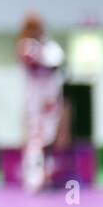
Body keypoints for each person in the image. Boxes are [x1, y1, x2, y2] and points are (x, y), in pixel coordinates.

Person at [16, 13, 68, 193]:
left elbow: (58, 64)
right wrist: (43, 57)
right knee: (35, 138)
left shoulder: (50, 46)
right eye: (30, 27)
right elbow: (30, 61)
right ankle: (33, 178)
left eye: (36, 26)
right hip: (34, 103)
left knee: (50, 139)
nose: (34, 30)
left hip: (51, 100)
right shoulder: (26, 45)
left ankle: (47, 174)